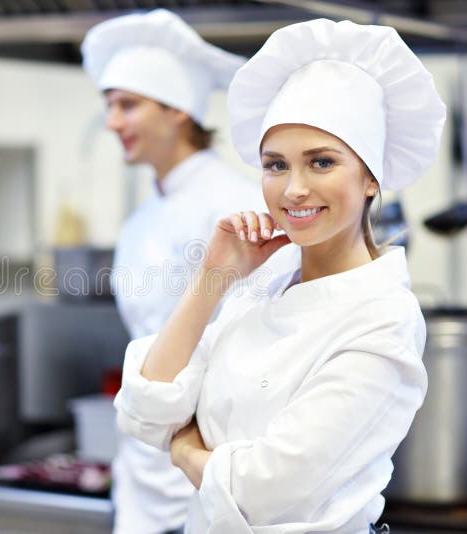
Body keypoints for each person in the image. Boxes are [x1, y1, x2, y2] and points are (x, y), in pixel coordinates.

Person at [114, 18, 446, 533]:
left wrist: (183, 449)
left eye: (321, 162)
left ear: (372, 178)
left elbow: (263, 490)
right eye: (275, 165)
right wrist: (214, 278)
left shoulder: (383, 318)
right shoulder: (263, 284)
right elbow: (146, 410)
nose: (293, 189)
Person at [81, 9, 267, 534]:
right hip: (142, 463)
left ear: (178, 111)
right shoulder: (143, 217)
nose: (113, 122)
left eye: (127, 105)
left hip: (205, 459)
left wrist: (186, 446)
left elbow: (253, 347)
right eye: (110, 107)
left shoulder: (235, 207)